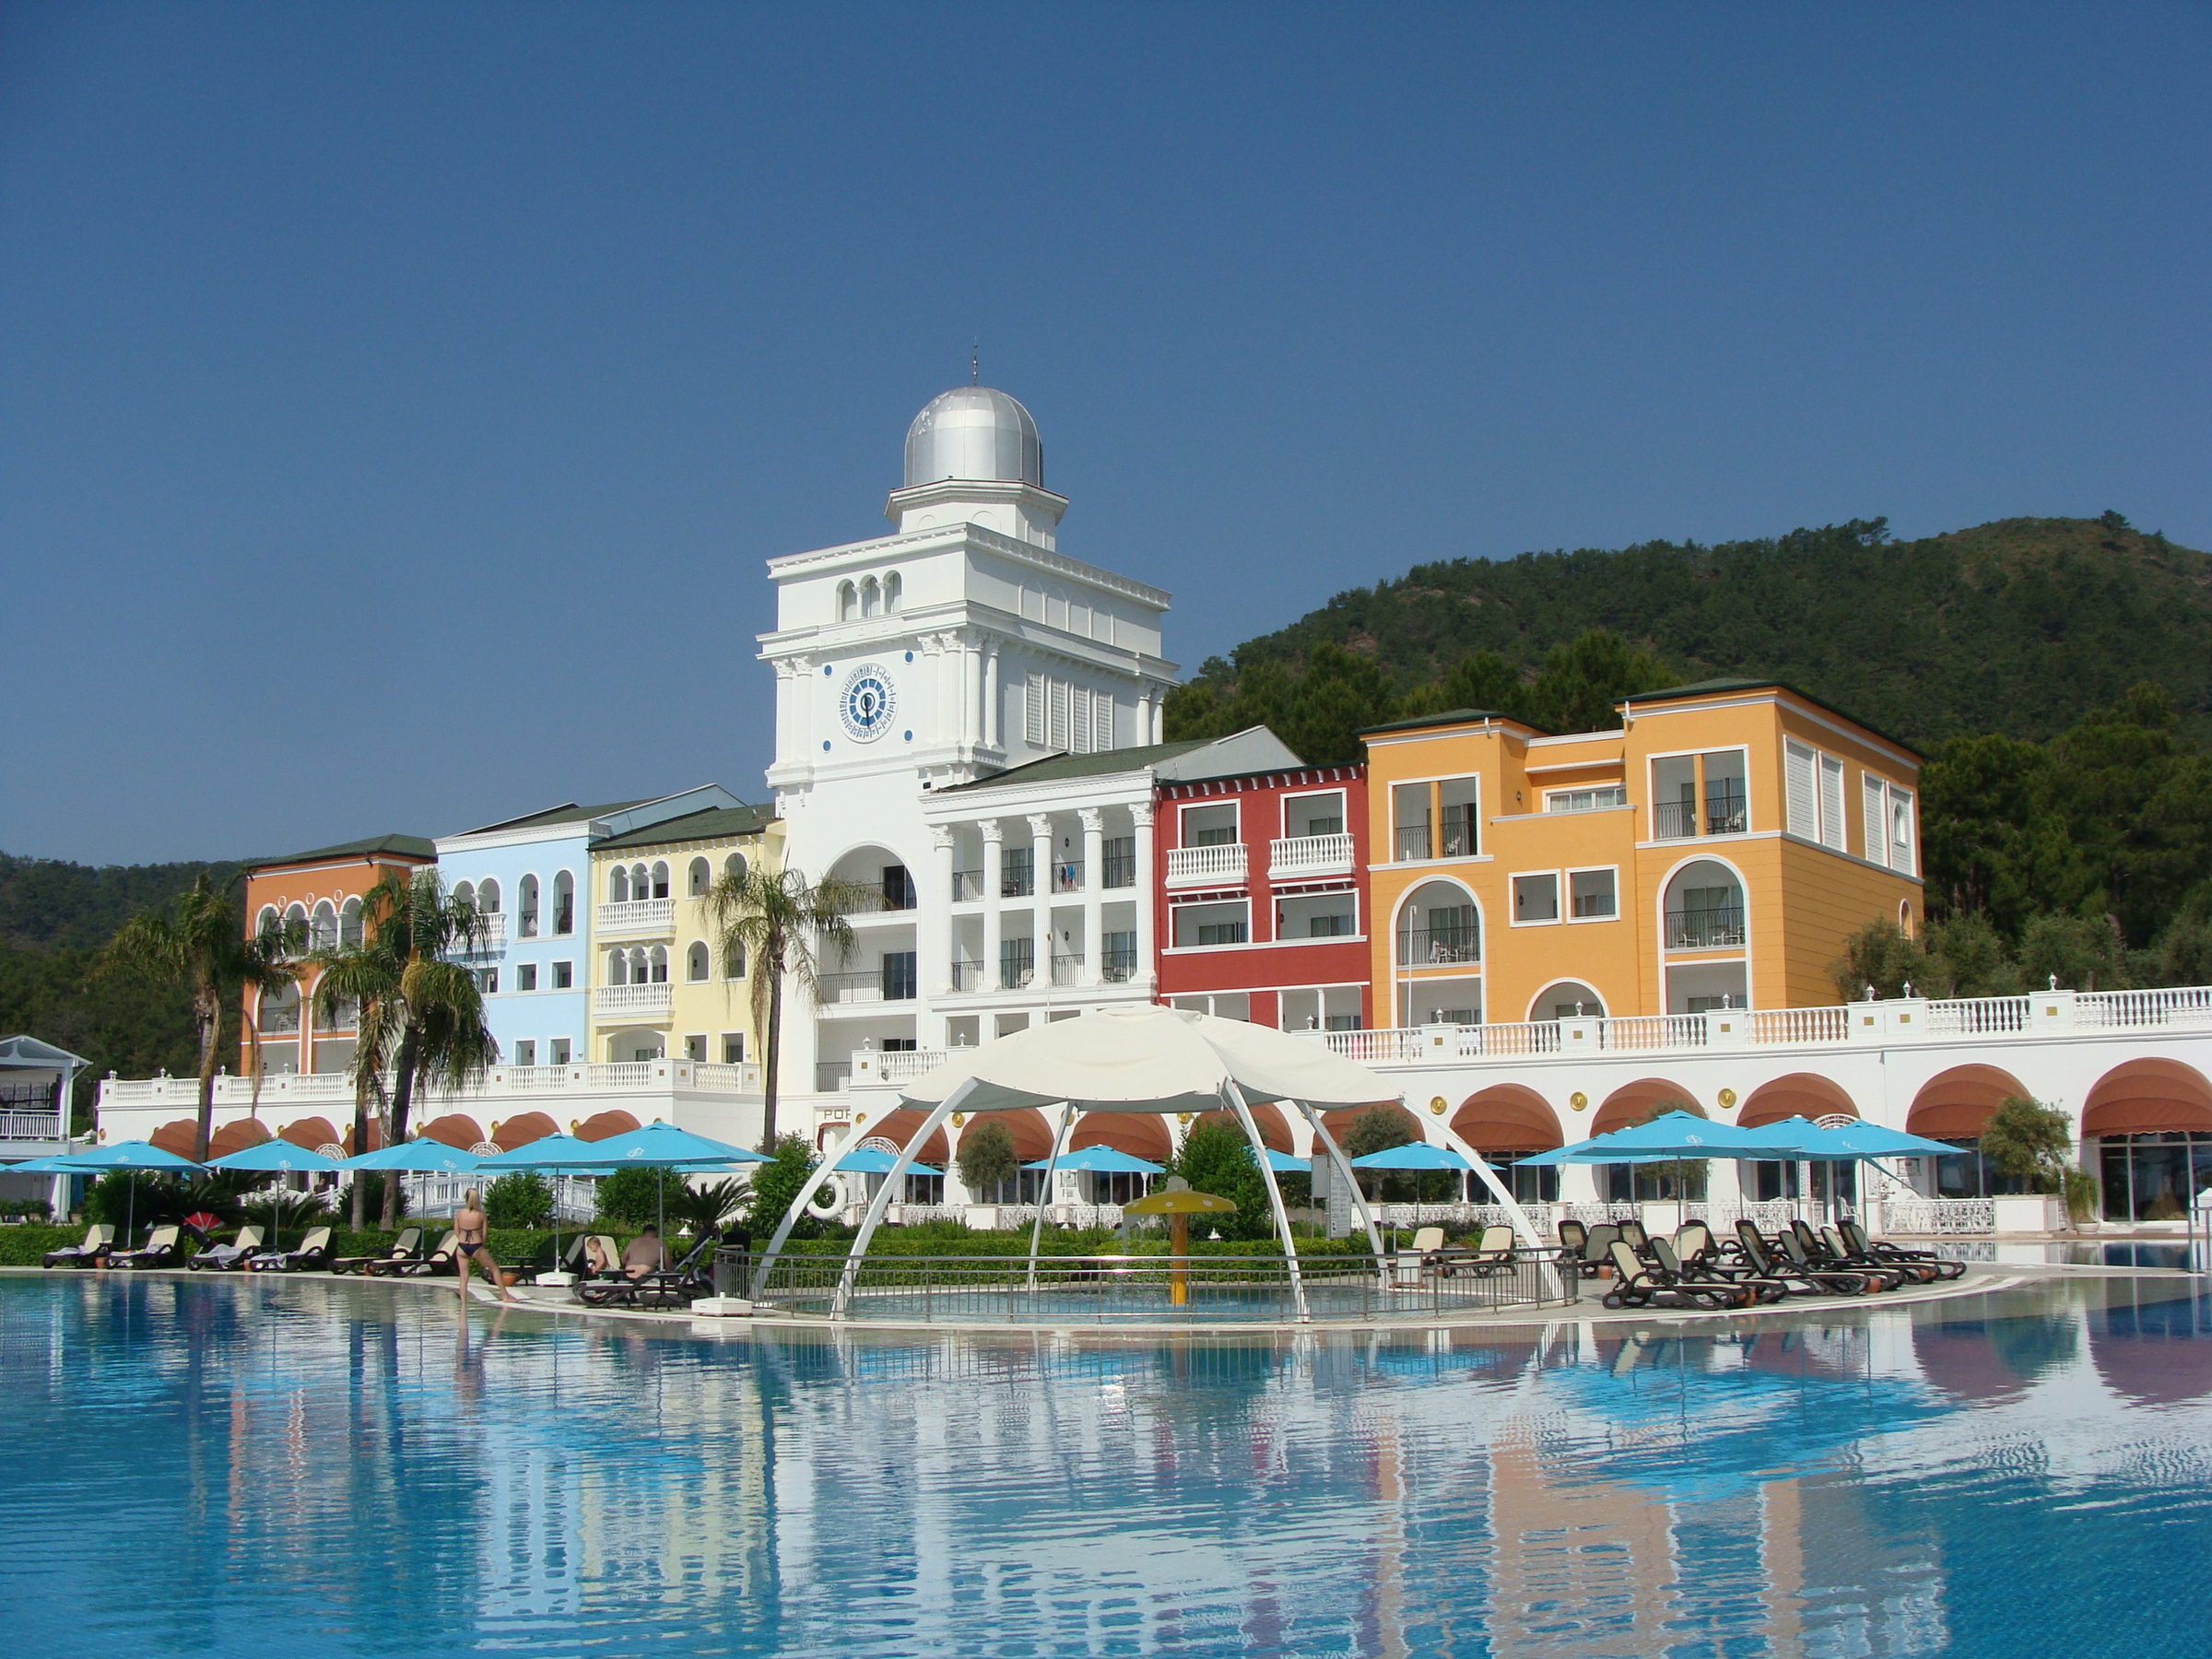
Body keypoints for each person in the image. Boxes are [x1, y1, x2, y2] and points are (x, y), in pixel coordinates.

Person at [453, 1189, 519, 1304]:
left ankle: (463, 1301)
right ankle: (505, 1296)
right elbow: (484, 1234)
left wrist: (463, 1239)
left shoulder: (459, 1213)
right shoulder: (481, 1215)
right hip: (476, 1245)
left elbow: (456, 1232)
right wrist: (480, 1244)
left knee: (464, 1276)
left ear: (466, 1198)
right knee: (494, 1269)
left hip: (462, 1246)